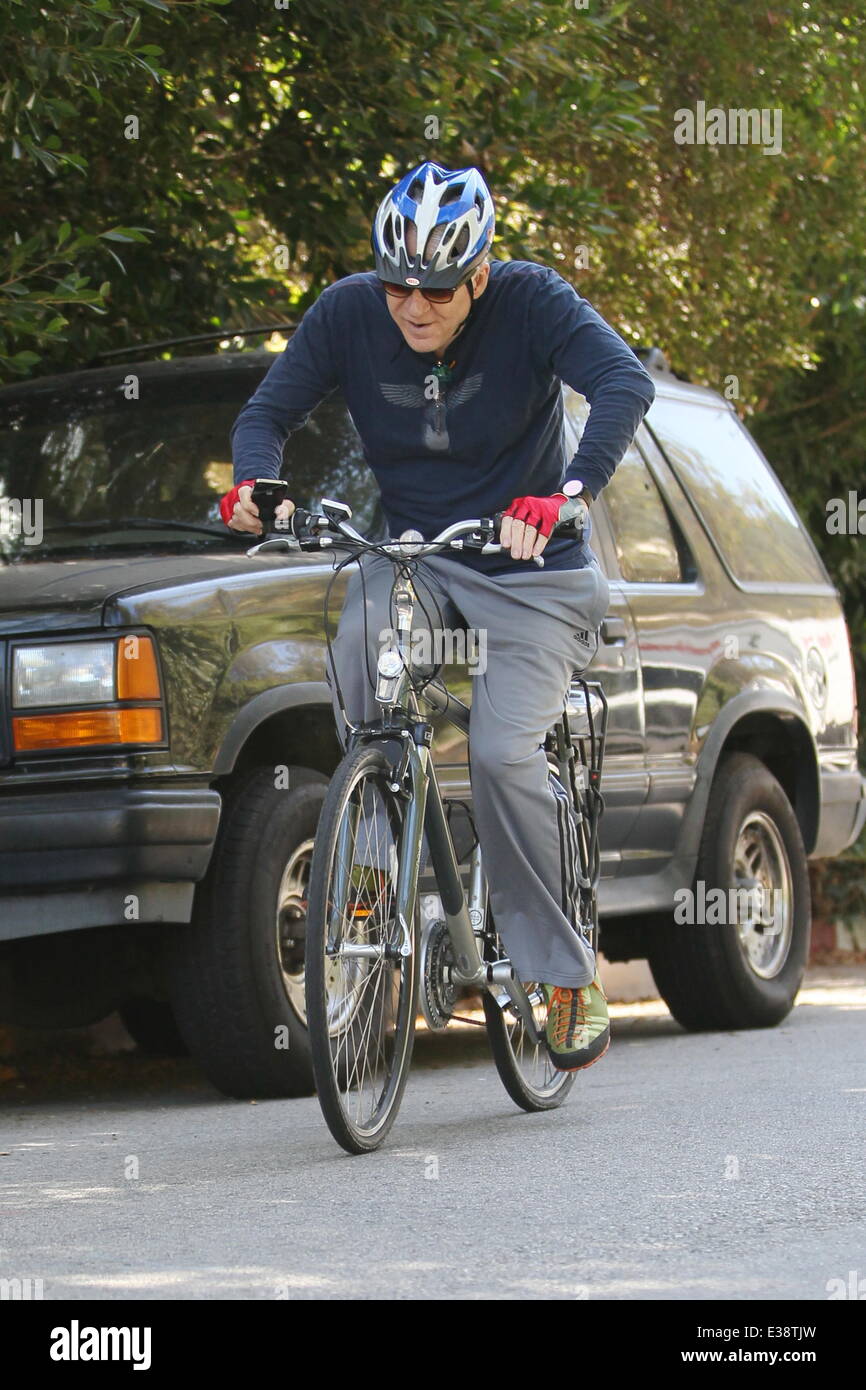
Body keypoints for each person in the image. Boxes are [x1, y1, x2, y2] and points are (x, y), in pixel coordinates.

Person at [222, 160, 655, 1071]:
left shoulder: (534, 303)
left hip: (532, 568)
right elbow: (268, 412)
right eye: (397, 289)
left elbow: (623, 385)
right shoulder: (349, 313)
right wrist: (257, 481)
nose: (411, 310)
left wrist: (568, 493)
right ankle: (376, 874)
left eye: (435, 294)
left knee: (501, 753)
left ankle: (561, 975)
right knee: (358, 666)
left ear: (480, 278)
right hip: (418, 555)